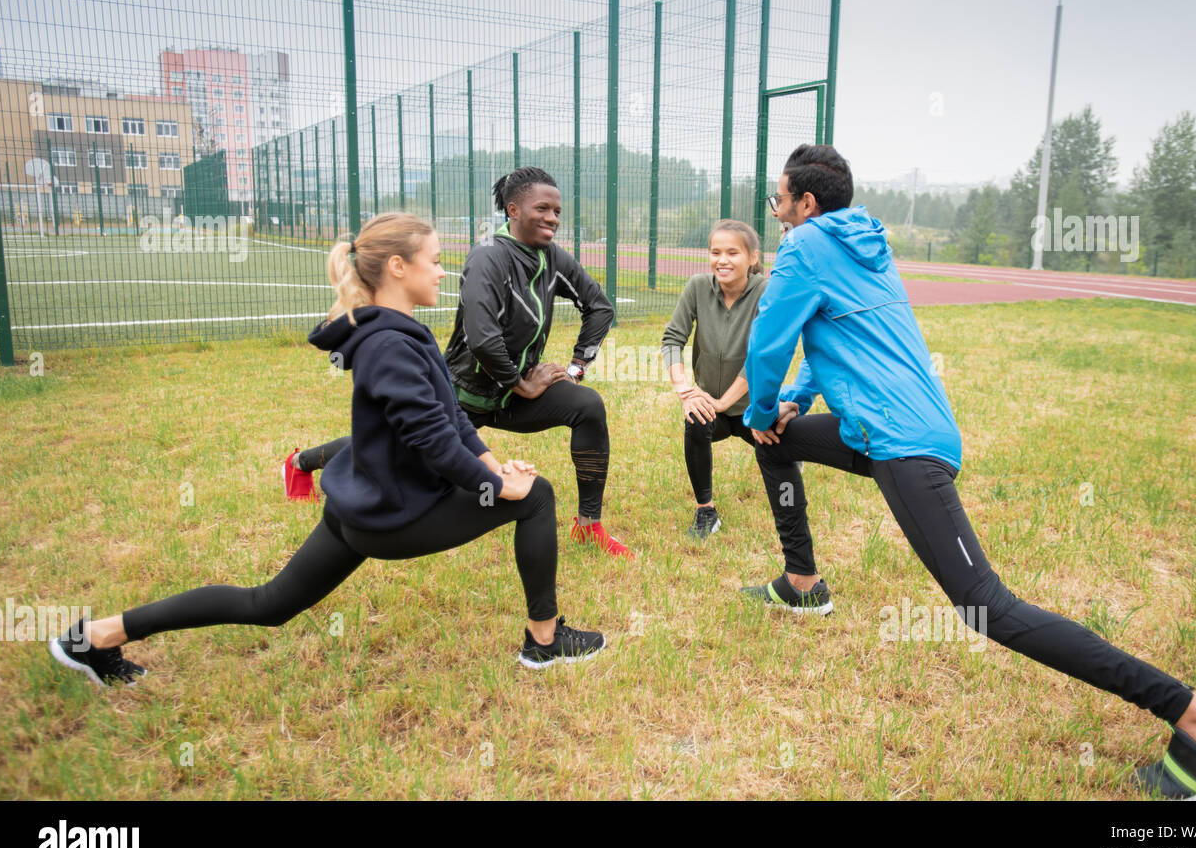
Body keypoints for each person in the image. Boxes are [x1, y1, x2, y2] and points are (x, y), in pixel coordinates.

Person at [739, 143, 1196, 800]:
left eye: (779, 198)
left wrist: (763, 405)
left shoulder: (805, 246)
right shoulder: (858, 248)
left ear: (807, 204)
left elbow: (769, 340)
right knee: (777, 444)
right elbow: (834, 342)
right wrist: (793, 402)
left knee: (984, 608)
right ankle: (802, 581)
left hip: (902, 443)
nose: (776, 211)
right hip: (884, 429)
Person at [51, 212, 605, 685]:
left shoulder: (395, 331)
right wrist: (497, 486)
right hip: (391, 518)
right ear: (397, 267)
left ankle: (94, 636)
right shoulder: (390, 343)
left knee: (266, 605)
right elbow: (432, 440)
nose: (443, 270)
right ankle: (544, 643)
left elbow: (451, 419)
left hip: (355, 507)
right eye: (434, 260)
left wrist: (490, 464)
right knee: (537, 497)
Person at [289, 168, 632, 559]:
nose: (553, 217)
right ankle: (301, 461)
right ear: (514, 209)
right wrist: (522, 383)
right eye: (543, 208)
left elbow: (600, 307)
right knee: (392, 443)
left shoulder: (554, 258)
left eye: (557, 210)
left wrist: (574, 370)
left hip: (514, 397)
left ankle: (589, 526)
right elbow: (482, 337)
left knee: (587, 406)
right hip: (465, 393)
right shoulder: (488, 257)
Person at [660, 219, 768, 538]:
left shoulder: (768, 292)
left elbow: (761, 358)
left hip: (753, 409)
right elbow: (671, 340)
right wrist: (686, 392)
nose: (722, 260)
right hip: (711, 406)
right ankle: (706, 512)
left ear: (752, 257)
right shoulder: (696, 287)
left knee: (782, 452)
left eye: (732, 252)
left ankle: (789, 496)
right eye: (715, 252)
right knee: (696, 419)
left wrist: (724, 401)